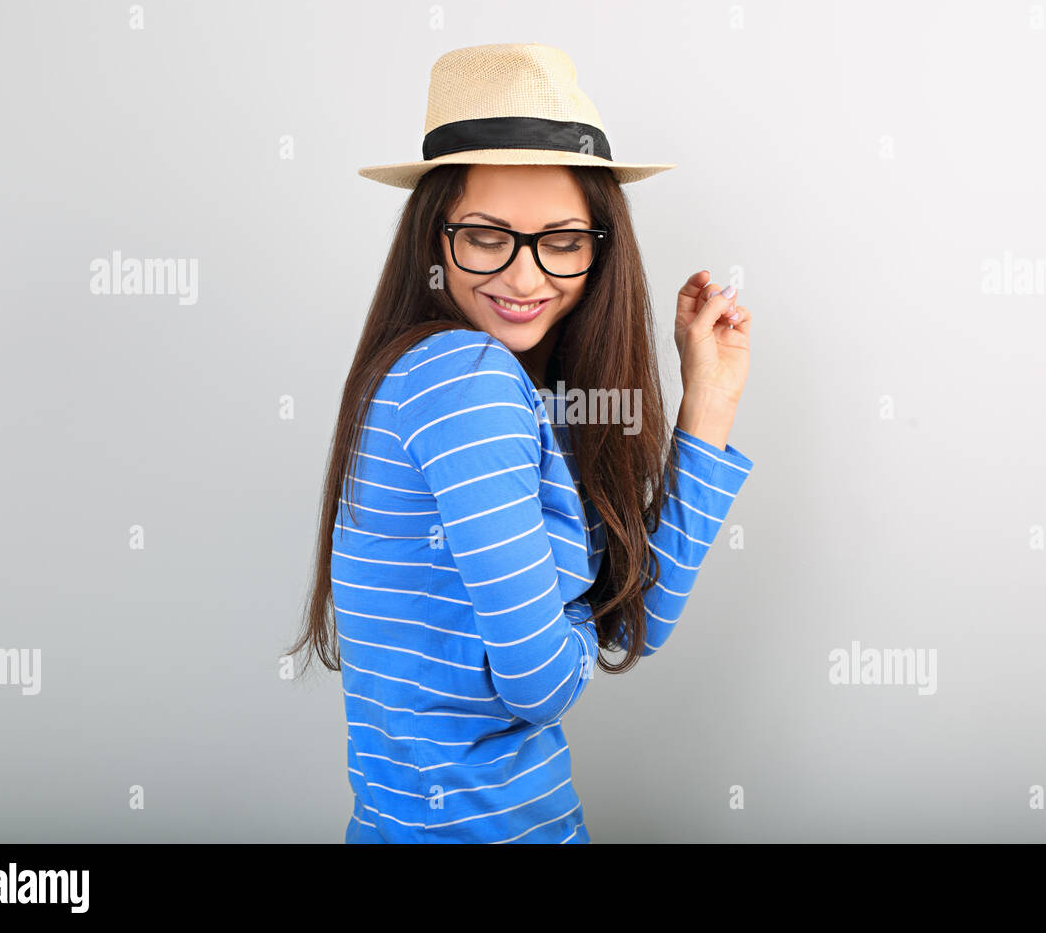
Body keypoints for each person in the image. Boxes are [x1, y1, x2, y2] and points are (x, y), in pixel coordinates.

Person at [284, 43, 754, 842]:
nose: (526, 277)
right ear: (436, 236)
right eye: (487, 235)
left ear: (601, 246)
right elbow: (543, 683)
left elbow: (634, 620)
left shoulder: (506, 393)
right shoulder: (465, 379)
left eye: (562, 240)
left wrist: (709, 398)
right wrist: (571, 630)